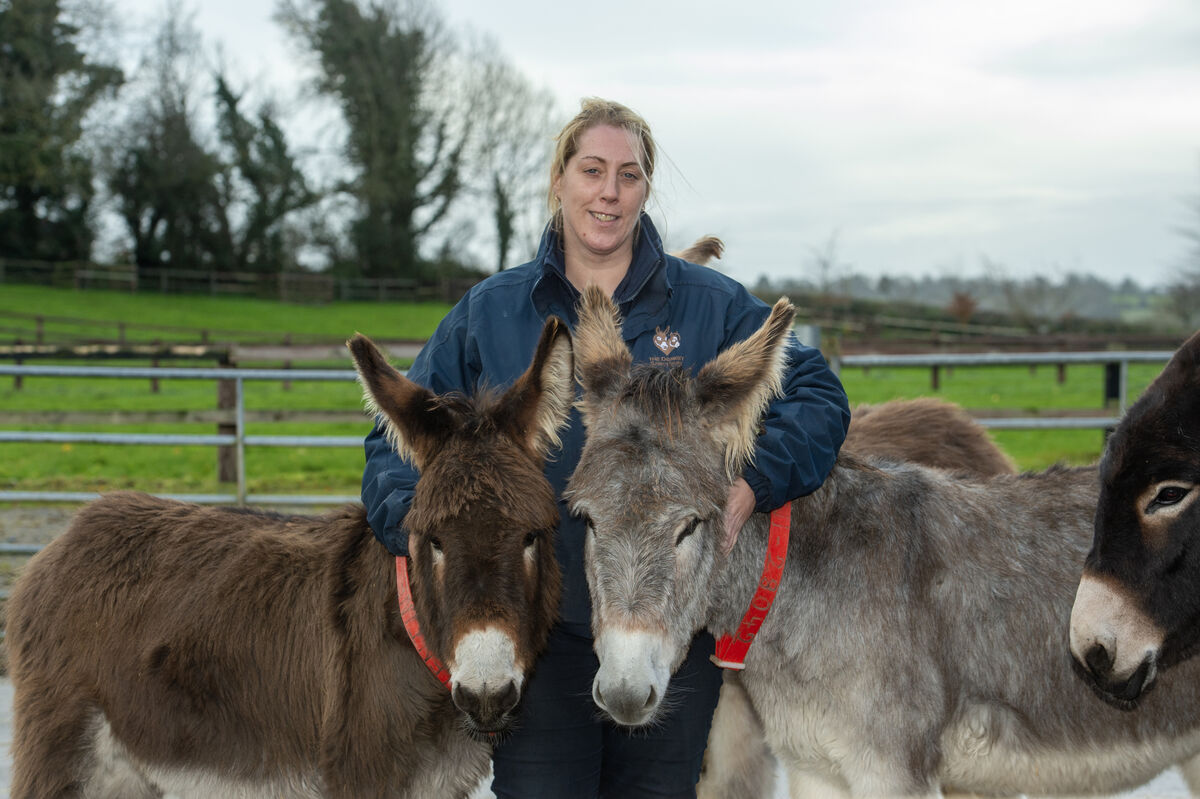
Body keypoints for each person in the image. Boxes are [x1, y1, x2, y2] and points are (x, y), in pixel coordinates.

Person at [361, 97, 850, 798]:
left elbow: (820, 397)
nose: (609, 192)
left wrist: (754, 484)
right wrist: (424, 531)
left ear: (646, 189)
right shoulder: (491, 313)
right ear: (560, 178)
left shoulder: (707, 305)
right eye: (592, 170)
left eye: (629, 174)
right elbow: (392, 444)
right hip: (542, 630)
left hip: (669, 635)